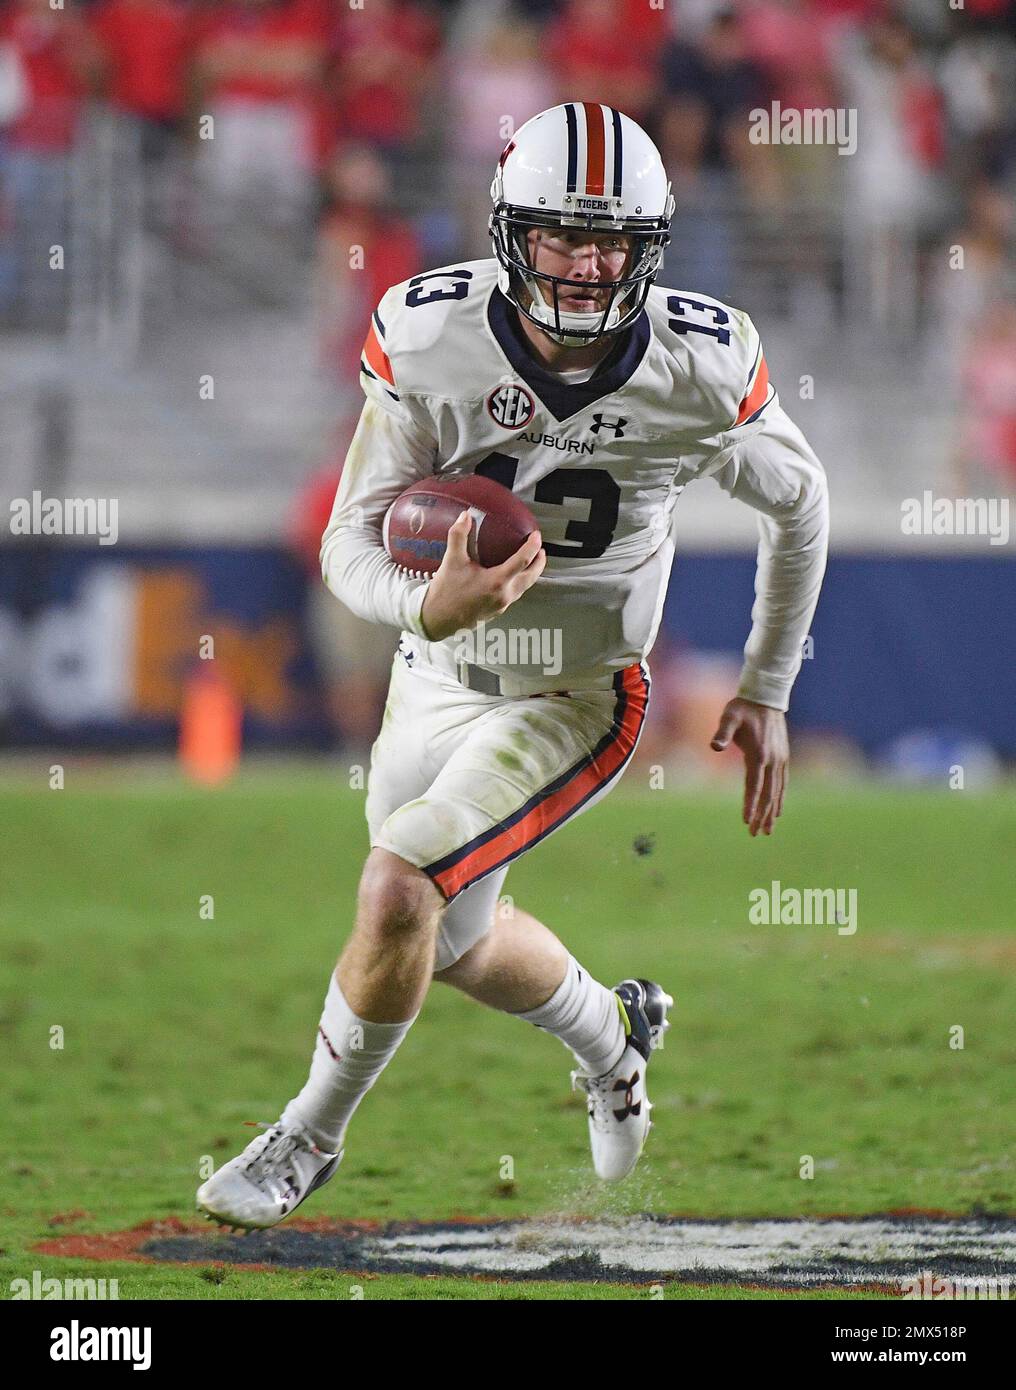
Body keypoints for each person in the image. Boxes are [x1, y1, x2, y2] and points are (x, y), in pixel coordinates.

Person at [197, 102, 829, 1229]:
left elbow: (801, 504)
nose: (586, 268)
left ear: (651, 248)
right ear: (505, 229)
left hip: (575, 693)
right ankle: (613, 1036)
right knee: (449, 942)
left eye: (611, 243)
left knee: (398, 886)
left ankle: (306, 1137)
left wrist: (766, 685)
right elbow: (350, 538)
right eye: (559, 236)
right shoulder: (433, 334)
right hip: (434, 671)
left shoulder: (697, 364)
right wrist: (422, 605)